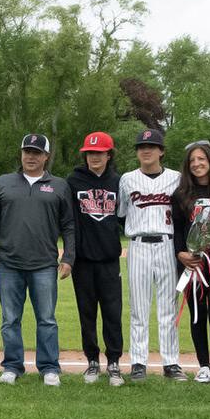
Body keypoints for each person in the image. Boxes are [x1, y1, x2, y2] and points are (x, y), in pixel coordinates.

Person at [0, 134, 74, 387]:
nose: (31, 157)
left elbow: (68, 225)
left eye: (36, 152)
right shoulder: (3, 183)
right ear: (21, 154)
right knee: (10, 319)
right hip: (8, 263)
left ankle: (49, 368)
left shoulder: (59, 185)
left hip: (44, 264)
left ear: (46, 156)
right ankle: (12, 366)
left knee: (46, 319)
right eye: (27, 152)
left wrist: (68, 257)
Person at [118, 129, 187, 381]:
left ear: (161, 151)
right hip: (137, 245)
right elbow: (122, 212)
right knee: (139, 306)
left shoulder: (177, 178)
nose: (145, 150)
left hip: (167, 245)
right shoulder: (127, 179)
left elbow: (183, 215)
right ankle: (138, 362)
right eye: (141, 146)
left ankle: (171, 363)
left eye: (151, 146)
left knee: (168, 306)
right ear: (137, 152)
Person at [66, 132, 125, 386]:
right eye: (90, 153)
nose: (94, 157)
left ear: (108, 155)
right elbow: (67, 220)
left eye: (99, 153)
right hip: (83, 260)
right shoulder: (74, 181)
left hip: (110, 259)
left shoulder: (119, 181)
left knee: (113, 313)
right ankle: (92, 361)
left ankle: (113, 362)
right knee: (86, 313)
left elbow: (125, 219)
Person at [171, 140, 210, 383]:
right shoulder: (181, 194)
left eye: (201, 159)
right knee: (198, 314)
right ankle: (204, 366)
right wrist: (181, 253)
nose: (197, 164)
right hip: (192, 264)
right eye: (192, 161)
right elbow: (176, 229)